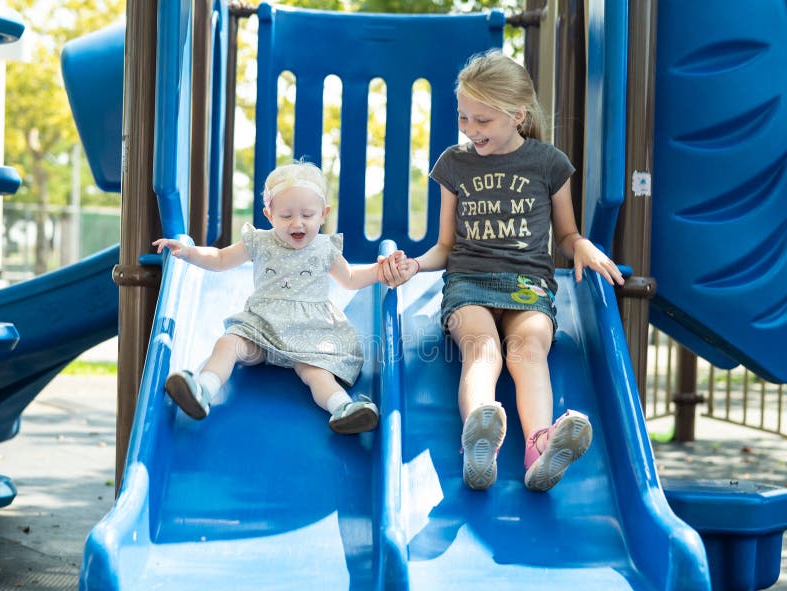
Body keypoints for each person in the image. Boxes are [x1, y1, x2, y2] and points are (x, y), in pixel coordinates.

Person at [380, 50, 625, 491]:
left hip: (529, 285)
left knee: (528, 350)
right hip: (468, 284)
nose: (471, 130)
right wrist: (416, 265)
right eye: (464, 118)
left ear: (517, 115)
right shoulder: (454, 164)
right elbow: (445, 246)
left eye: (482, 121)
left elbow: (566, 236)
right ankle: (480, 437)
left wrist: (582, 245)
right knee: (483, 350)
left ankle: (540, 448)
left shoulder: (548, 164)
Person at [153, 161, 400, 435]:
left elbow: (350, 278)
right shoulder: (259, 241)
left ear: (323, 214)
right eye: (285, 215)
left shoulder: (324, 249)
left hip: (308, 337)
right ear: (269, 215)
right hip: (261, 330)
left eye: (307, 214)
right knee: (229, 343)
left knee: (316, 373)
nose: (297, 223)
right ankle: (203, 390)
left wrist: (381, 271)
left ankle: (343, 408)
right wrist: (190, 252)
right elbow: (222, 258)